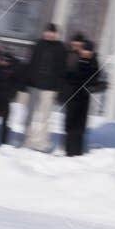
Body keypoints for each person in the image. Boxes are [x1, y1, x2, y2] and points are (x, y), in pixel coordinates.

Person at [23, 23, 67, 151]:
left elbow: (62, 69)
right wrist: (27, 81)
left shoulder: (60, 48)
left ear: (56, 34)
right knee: (30, 114)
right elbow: (31, 64)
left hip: (50, 88)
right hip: (34, 85)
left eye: (52, 32)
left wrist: (59, 87)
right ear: (44, 33)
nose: (49, 34)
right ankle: (28, 140)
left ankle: (42, 142)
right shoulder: (37, 45)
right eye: (47, 32)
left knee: (45, 116)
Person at [61, 34, 104, 158]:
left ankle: (77, 151)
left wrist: (98, 86)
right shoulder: (75, 60)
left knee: (80, 126)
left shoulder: (94, 63)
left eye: (89, 51)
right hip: (72, 95)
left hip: (84, 98)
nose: (86, 53)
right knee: (70, 125)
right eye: (85, 50)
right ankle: (69, 151)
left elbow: (95, 79)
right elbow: (68, 75)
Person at [0, 51, 20, 147]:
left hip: (5, 99)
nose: (4, 62)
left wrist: (11, 94)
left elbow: (16, 84)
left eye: (6, 60)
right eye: (2, 60)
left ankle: (3, 142)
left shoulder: (13, 71)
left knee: (5, 121)